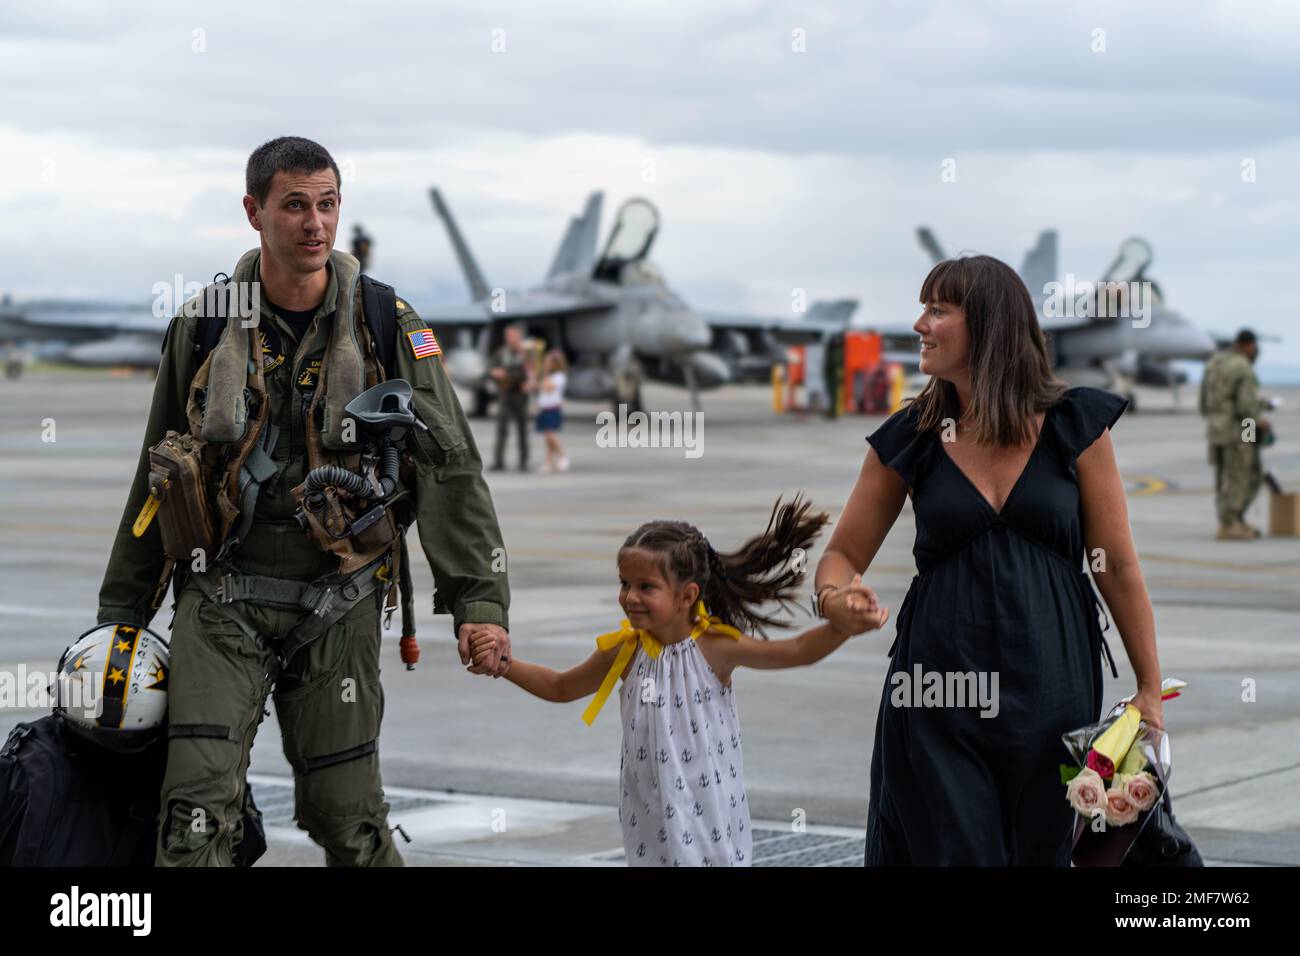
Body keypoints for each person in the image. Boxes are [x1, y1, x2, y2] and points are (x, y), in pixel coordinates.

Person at [96, 136, 512, 867]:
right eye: (294, 205)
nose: (314, 223)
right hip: (222, 601)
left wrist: (479, 602)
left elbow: (449, 466)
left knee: (349, 820)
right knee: (194, 817)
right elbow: (153, 475)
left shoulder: (390, 324)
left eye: (327, 204)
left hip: (339, 601)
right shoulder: (203, 324)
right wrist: (119, 620)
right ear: (255, 212)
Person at [815, 254, 1165, 866]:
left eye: (937, 310)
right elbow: (842, 554)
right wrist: (834, 598)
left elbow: (1116, 565)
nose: (919, 324)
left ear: (988, 325)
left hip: (1055, 692)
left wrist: (1149, 688)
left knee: (1047, 854)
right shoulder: (914, 435)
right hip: (937, 694)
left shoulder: (1074, 426)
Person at [467, 497, 887, 866]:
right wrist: (505, 665)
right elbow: (561, 686)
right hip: (649, 815)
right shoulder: (625, 651)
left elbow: (793, 652)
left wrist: (843, 627)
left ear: (687, 596)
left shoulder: (714, 647)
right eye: (625, 584)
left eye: (646, 587)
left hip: (710, 817)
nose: (630, 596)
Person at [1199, 328, 1270, 540]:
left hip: (1215, 429)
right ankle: (1230, 522)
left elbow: (1203, 403)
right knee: (1244, 474)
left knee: (1222, 477)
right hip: (1238, 431)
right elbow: (1246, 407)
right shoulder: (1243, 367)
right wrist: (1259, 425)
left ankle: (1232, 520)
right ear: (1249, 346)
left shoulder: (1214, 364)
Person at [489, 322, 534, 472]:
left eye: (512, 335)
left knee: (522, 430)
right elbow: (492, 369)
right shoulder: (501, 353)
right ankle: (498, 461)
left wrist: (507, 374)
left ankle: (524, 461)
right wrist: (495, 374)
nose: (510, 338)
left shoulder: (526, 354)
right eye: (508, 336)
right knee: (501, 429)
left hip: (520, 395)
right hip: (504, 395)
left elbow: (530, 373)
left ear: (519, 336)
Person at [536, 348, 569, 472]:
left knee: (550, 435)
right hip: (545, 408)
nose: (546, 365)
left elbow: (548, 387)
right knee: (547, 438)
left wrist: (544, 374)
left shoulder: (559, 377)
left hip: (553, 409)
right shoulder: (549, 376)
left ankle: (562, 456)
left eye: (549, 363)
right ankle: (549, 462)